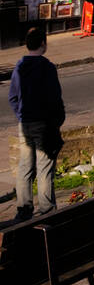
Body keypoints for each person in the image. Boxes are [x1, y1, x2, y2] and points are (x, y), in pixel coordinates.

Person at [8, 25, 65, 219]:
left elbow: (13, 97)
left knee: (25, 167)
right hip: (44, 124)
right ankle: (47, 210)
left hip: (25, 124)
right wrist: (58, 120)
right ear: (43, 44)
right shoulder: (47, 67)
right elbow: (55, 98)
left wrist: (21, 115)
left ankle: (23, 209)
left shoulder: (19, 67)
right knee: (44, 168)